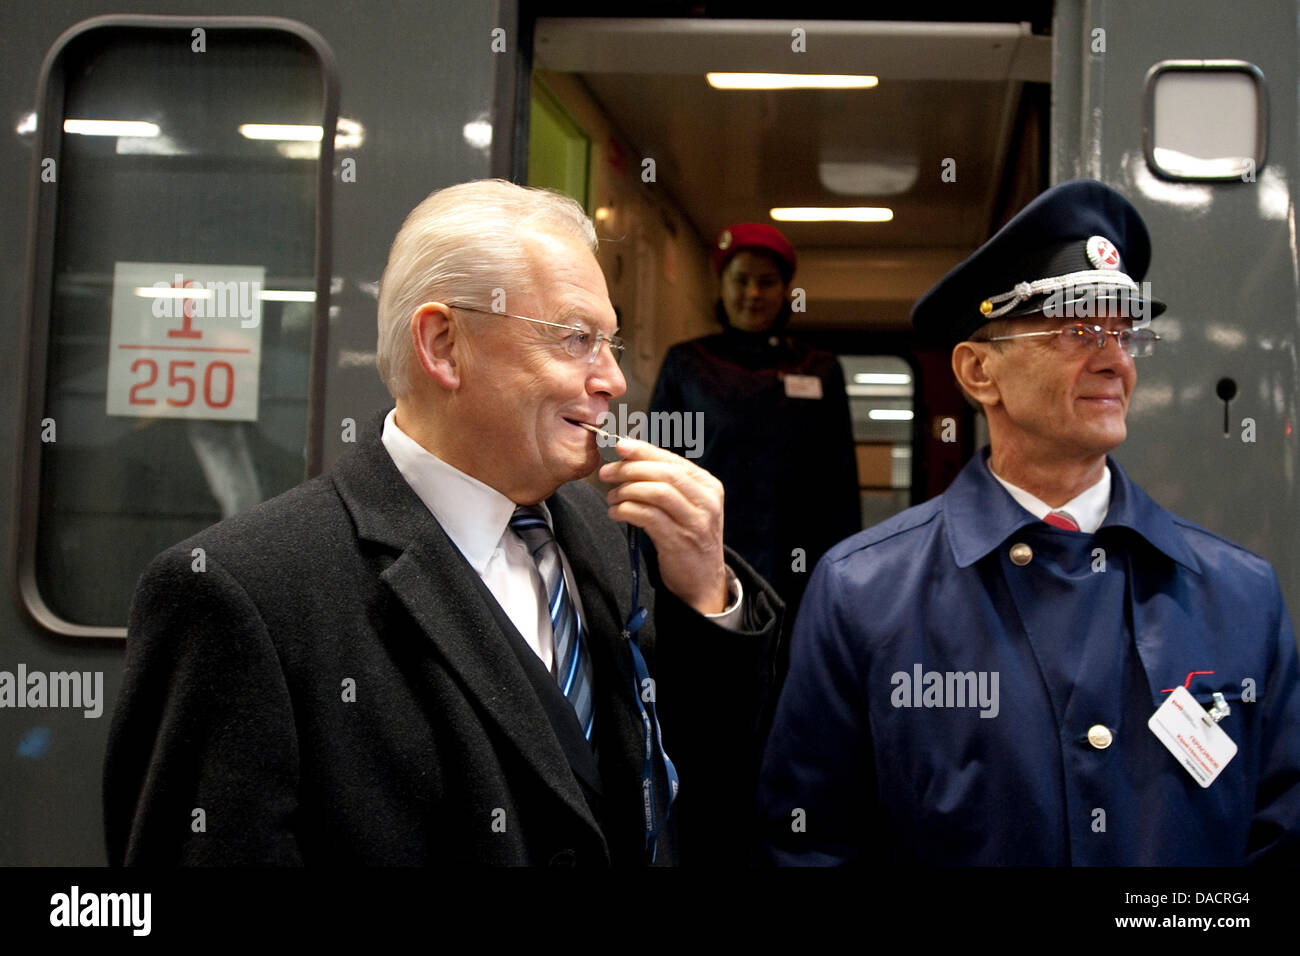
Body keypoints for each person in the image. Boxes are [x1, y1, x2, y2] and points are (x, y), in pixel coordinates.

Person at [104, 179, 781, 866]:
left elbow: (695, 786)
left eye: (610, 343)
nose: (613, 380)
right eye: (577, 339)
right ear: (443, 343)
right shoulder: (244, 594)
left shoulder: (619, 531)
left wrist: (707, 597)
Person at [757, 179, 1300, 865]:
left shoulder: (1238, 594)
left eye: (1123, 333)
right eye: (1077, 331)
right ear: (980, 372)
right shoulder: (864, 592)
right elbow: (810, 845)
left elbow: (1280, 836)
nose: (1115, 361)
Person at [650, 223, 860, 619]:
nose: (753, 294)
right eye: (740, 280)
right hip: (708, 560)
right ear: (722, 285)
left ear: (785, 291)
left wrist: (848, 569)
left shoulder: (820, 369)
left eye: (766, 282)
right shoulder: (687, 364)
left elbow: (841, 484)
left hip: (802, 566)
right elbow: (660, 471)